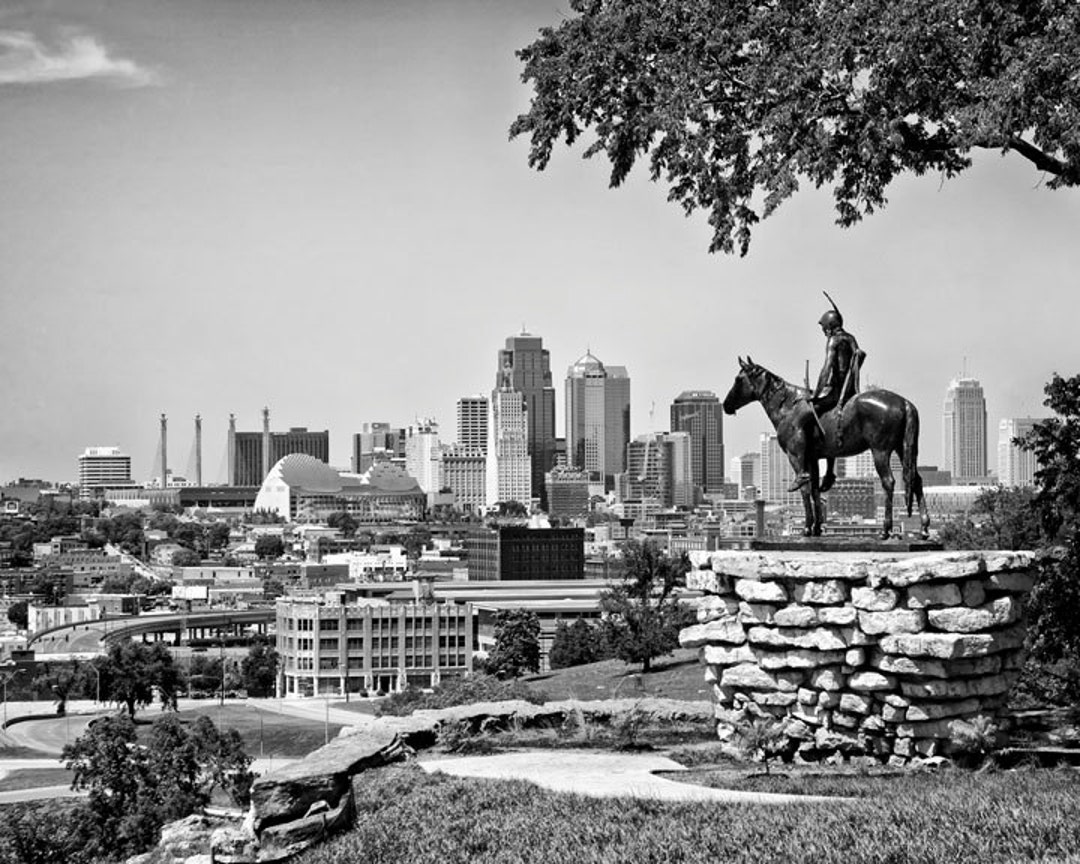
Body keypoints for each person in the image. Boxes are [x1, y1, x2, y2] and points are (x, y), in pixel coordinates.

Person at [789, 299, 865, 492]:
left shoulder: (834, 340)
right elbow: (857, 359)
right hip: (850, 392)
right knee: (826, 424)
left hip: (836, 392)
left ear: (830, 326)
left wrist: (814, 395)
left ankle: (802, 472)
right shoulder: (851, 338)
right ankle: (830, 472)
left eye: (824, 328)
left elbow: (827, 368)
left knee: (800, 418)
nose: (824, 332)